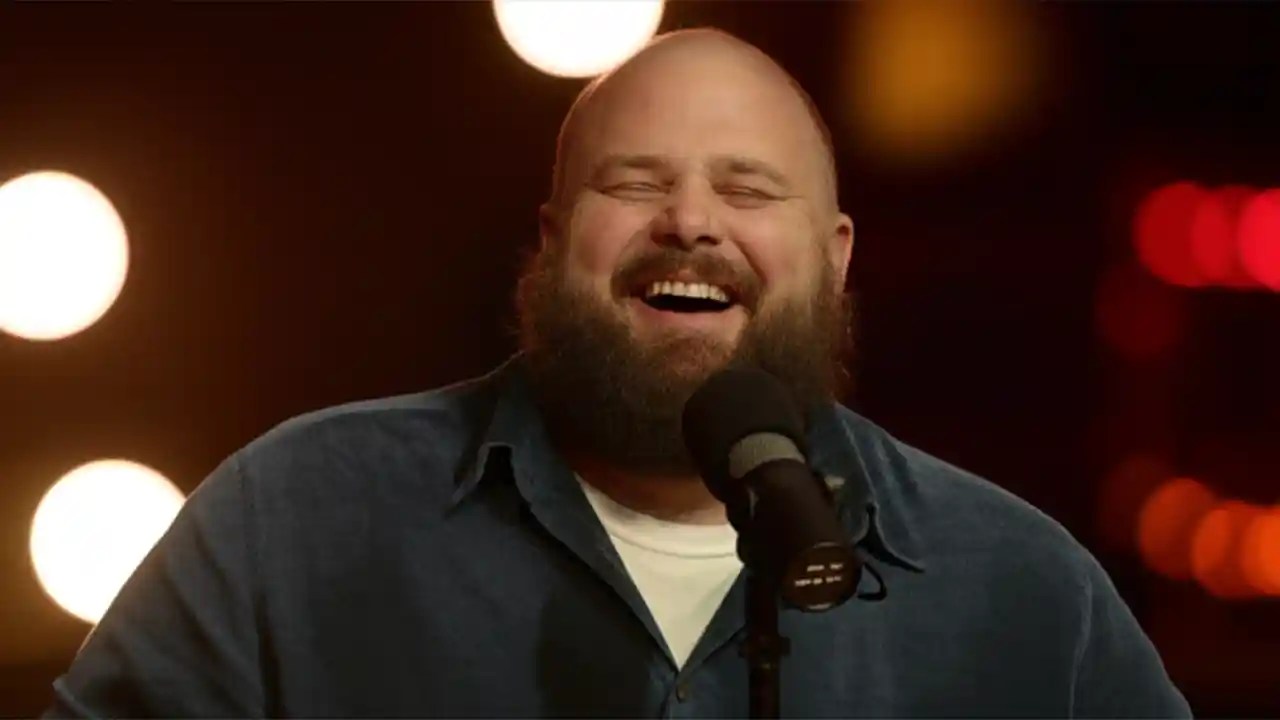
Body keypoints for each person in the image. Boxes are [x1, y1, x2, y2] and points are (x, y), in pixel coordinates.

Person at [45, 28, 1191, 718]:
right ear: (549, 243)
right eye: (634, 183)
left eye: (746, 190)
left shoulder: (1025, 594)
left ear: (835, 261)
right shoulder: (287, 524)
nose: (689, 220)